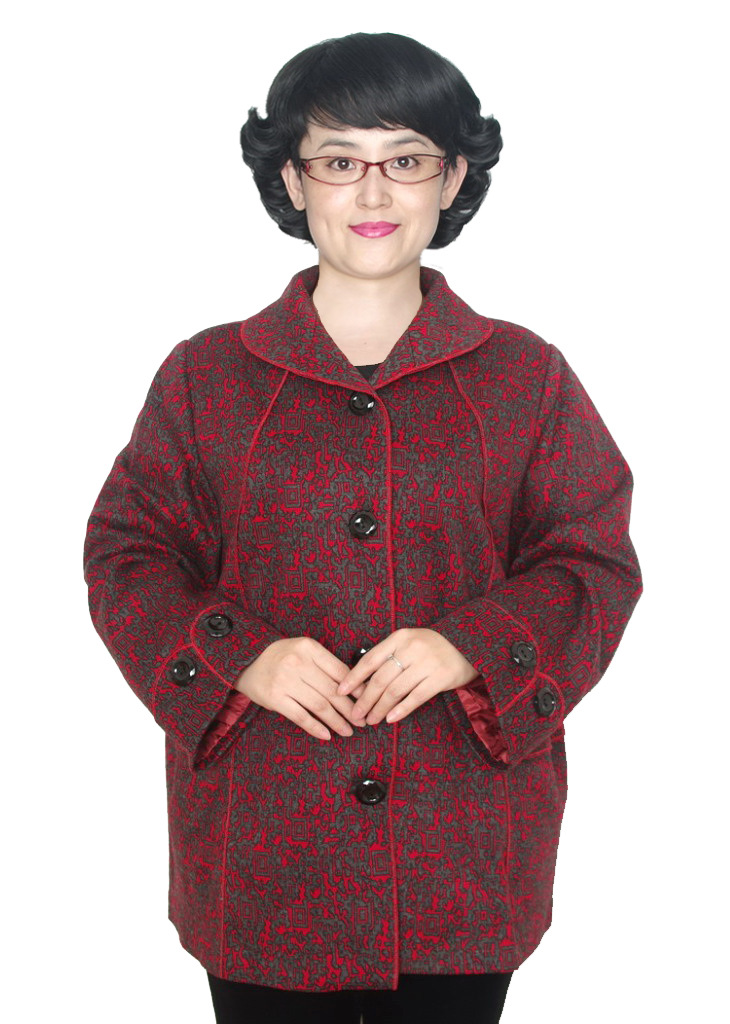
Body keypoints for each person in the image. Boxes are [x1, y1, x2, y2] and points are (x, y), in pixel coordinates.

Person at [83, 31, 643, 1024]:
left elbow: (591, 562)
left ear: (452, 177)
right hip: (263, 846)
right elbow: (130, 553)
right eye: (340, 161)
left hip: (462, 849)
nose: (373, 192)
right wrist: (238, 656)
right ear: (292, 180)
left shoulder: (525, 376)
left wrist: (471, 645)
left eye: (406, 159)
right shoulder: (207, 376)